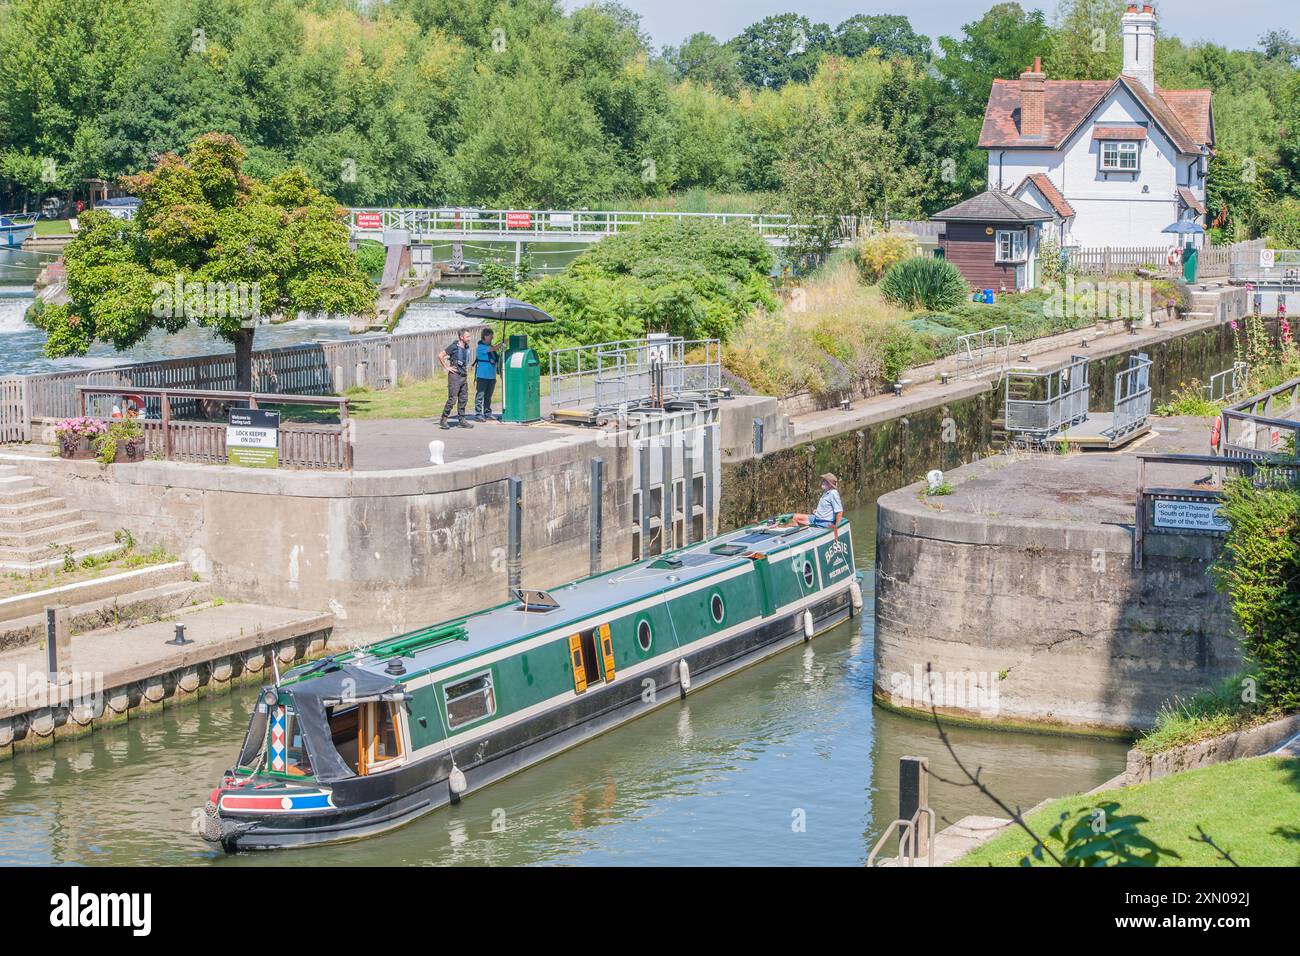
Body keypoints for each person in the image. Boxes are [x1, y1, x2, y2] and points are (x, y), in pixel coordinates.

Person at [438, 328, 475, 430]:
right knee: (452, 399)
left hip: (463, 376)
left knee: (463, 399)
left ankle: (462, 420)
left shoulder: (466, 346)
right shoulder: (454, 346)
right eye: (467, 336)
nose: (469, 338)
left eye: (469, 336)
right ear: (461, 337)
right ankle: (443, 419)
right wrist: (447, 367)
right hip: (455, 376)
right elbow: (440, 355)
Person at [792, 473, 843, 538]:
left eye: (824, 480)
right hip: (816, 518)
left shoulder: (833, 493)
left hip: (824, 523)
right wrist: (818, 511)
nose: (822, 482)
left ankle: (800, 539)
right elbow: (827, 507)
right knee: (795, 517)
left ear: (830, 484)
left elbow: (839, 511)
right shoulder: (826, 492)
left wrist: (837, 527)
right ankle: (797, 537)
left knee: (810, 536)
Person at [473, 328, 499, 422]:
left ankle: (487, 413)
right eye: (491, 335)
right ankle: (478, 414)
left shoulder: (490, 347)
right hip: (482, 376)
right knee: (480, 395)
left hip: (491, 376)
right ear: (485, 336)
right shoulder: (481, 347)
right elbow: (492, 349)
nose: (492, 337)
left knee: (488, 396)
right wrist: (501, 344)